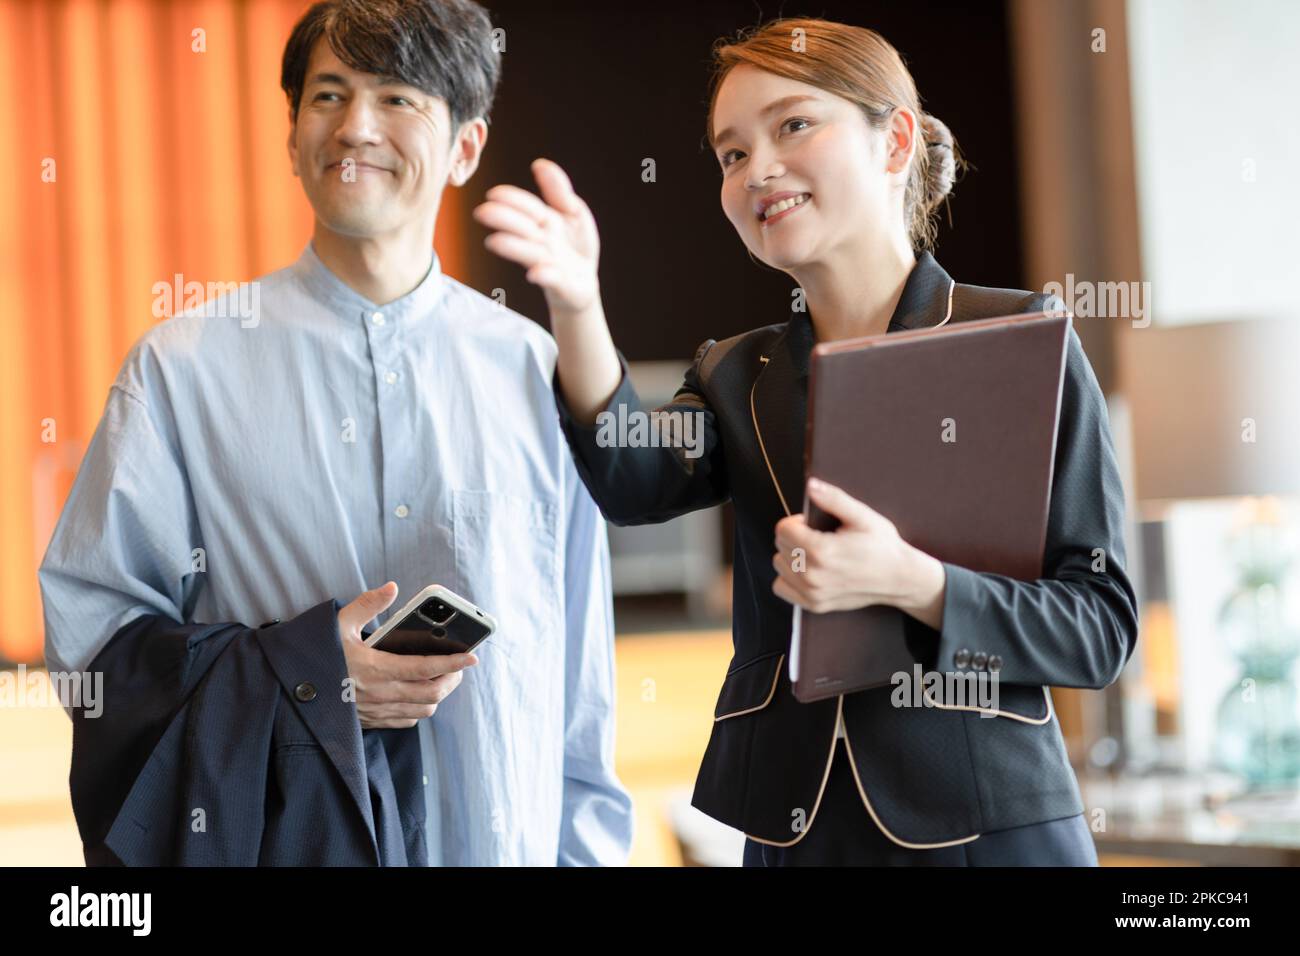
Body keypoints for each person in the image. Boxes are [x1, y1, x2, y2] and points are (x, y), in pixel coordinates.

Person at [474, 16, 1138, 865]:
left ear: (894, 140)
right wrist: (577, 304)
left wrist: (918, 584)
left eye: (792, 125)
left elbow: (1098, 625)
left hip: (987, 826)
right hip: (794, 829)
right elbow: (634, 477)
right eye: (731, 154)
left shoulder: (1019, 337)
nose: (758, 170)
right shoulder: (733, 373)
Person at [39, 0, 632, 866]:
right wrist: (306, 675)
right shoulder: (181, 369)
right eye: (328, 95)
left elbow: (577, 684)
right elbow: (94, 643)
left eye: (398, 98)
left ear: (465, 147)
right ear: (291, 136)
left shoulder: (535, 369)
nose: (355, 127)